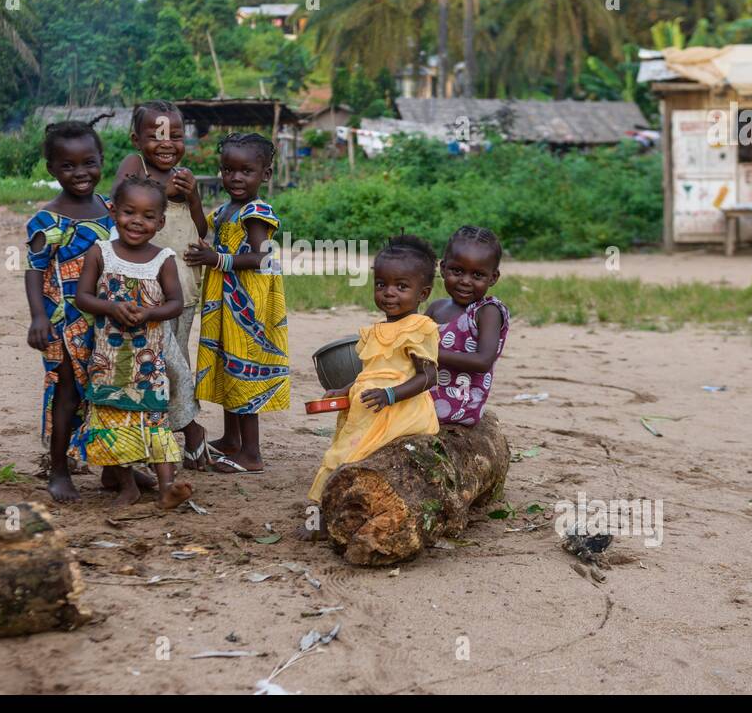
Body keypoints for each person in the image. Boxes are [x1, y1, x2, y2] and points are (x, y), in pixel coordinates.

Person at [25, 121, 153, 503]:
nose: (81, 173)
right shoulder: (47, 221)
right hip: (65, 324)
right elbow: (33, 272)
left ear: (101, 162)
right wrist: (38, 317)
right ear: (51, 169)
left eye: (89, 163)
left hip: (107, 320)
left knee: (109, 392)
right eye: (68, 166)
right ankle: (60, 470)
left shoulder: (111, 210)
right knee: (67, 394)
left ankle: (115, 469)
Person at [300, 235, 440, 541]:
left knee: (352, 458)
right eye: (381, 284)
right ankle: (319, 518)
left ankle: (330, 519)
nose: (389, 293)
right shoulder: (375, 330)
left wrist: (390, 395)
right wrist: (345, 389)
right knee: (337, 453)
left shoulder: (420, 328)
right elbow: (371, 372)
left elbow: (428, 377)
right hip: (368, 408)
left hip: (398, 410)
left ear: (423, 293)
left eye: (402, 287)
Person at [70, 176, 193, 510]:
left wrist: (150, 313)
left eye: (148, 216)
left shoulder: (163, 258)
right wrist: (111, 307)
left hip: (148, 364)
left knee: (155, 421)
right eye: (128, 212)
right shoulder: (101, 253)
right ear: (113, 212)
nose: (137, 221)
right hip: (108, 362)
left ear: (161, 222)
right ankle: (127, 485)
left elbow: (175, 304)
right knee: (111, 420)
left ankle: (167, 486)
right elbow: (82, 296)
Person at [184, 132, 289, 473]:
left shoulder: (257, 212)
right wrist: (194, 199)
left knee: (243, 372)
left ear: (266, 174)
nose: (236, 178)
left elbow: (262, 259)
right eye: (228, 170)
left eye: (246, 171)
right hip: (226, 303)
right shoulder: (226, 209)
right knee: (230, 369)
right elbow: (202, 229)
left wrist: (218, 260)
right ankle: (231, 441)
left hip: (249, 308)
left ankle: (252, 454)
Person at [114, 101, 210, 470]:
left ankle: (183, 431)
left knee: (175, 364)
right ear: (136, 139)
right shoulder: (133, 166)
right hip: (138, 294)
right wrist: (160, 190)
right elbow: (121, 200)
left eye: (176, 135)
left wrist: (193, 197)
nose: (166, 143)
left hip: (181, 294)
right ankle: (170, 433)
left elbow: (198, 231)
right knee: (142, 365)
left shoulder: (185, 178)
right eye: (156, 136)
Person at [426, 226, 510, 425]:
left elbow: (483, 361)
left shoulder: (487, 311)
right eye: (457, 271)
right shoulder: (436, 308)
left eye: (477, 275)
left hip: (459, 403)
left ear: (493, 278)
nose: (465, 281)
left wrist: (429, 353)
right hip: (427, 390)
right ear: (443, 268)